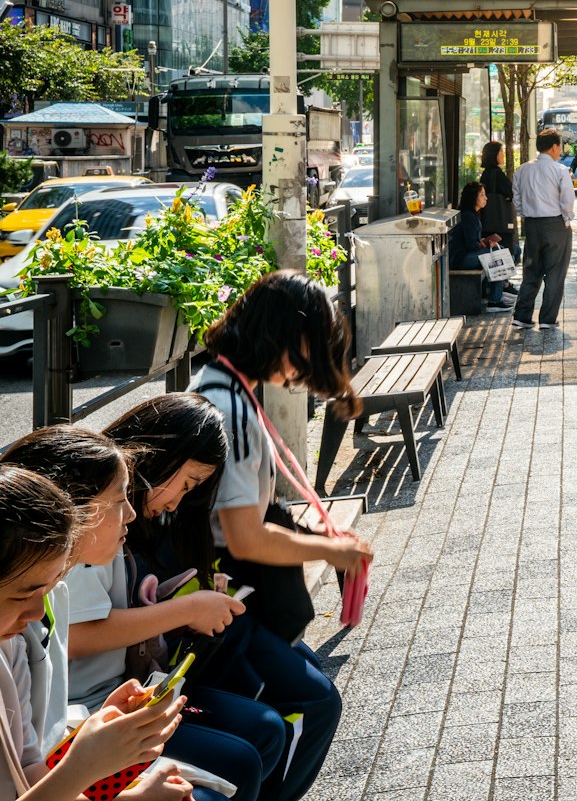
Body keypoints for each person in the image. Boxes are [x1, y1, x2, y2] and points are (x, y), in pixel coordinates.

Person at [2, 426, 277, 801]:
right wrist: (93, 766)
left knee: (258, 738)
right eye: (119, 501)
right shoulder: (20, 629)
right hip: (74, 744)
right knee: (244, 754)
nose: (131, 513)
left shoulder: (43, 604)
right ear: (72, 511)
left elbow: (31, 762)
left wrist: (95, 745)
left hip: (73, 745)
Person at [192, 273, 361, 799]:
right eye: (309, 349)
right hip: (231, 598)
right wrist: (335, 550)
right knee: (317, 701)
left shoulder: (218, 383)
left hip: (220, 591)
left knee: (307, 694)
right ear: (286, 336)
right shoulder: (234, 411)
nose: (304, 368)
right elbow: (244, 537)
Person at [0, 463, 190, 801]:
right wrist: (84, 766)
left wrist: (98, 749)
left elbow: (28, 768)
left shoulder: (9, 644)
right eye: (22, 595)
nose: (37, 613)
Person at [512, 127, 575, 330]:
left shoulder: (522, 169)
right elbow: (567, 198)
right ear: (555, 147)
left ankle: (522, 315)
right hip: (555, 224)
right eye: (559, 147)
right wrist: (567, 218)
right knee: (555, 273)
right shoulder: (560, 170)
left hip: (531, 225)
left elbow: (517, 199)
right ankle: (547, 319)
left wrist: (526, 215)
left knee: (531, 270)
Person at [452, 182, 511, 311]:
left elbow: (471, 241)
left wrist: (483, 241)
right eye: (482, 195)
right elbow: (471, 245)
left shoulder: (470, 214)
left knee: (497, 250)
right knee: (496, 255)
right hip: (460, 259)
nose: (486, 198)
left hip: (462, 256)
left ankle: (501, 290)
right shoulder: (468, 216)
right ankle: (496, 299)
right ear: (473, 197)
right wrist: (484, 243)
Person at [478, 141, 520, 294]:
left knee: (505, 253)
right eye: (500, 152)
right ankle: (501, 290)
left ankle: (503, 286)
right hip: (500, 223)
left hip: (488, 221)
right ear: (493, 155)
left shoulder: (485, 173)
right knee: (509, 253)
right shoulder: (497, 173)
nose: (502, 155)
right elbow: (511, 192)